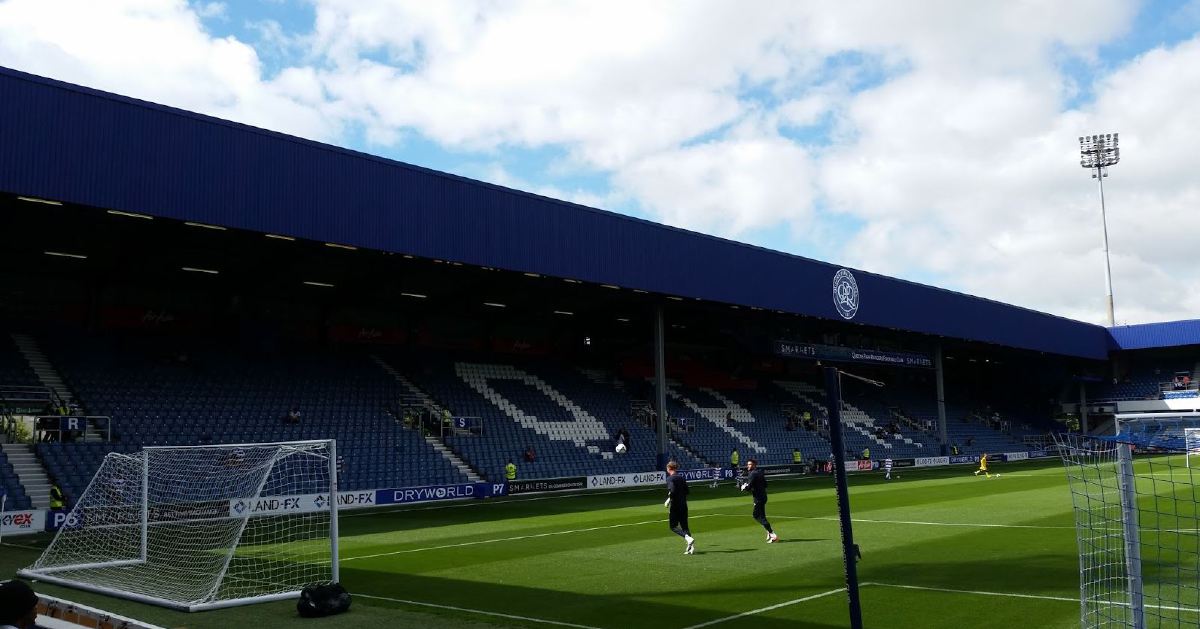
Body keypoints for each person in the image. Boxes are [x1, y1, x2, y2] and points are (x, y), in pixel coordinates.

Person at [739, 459, 778, 543]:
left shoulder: (752, 474)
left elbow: (749, 488)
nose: (748, 466)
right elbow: (765, 485)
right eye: (748, 464)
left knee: (756, 515)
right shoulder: (760, 472)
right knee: (762, 516)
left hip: (758, 498)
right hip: (764, 496)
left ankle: (772, 534)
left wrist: (743, 487)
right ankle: (769, 531)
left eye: (750, 464)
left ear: (754, 465)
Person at [664, 460, 695, 554]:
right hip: (684, 505)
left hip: (675, 506)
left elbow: (672, 490)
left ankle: (688, 538)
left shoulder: (670, 478)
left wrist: (669, 499)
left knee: (673, 526)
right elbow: (687, 491)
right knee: (685, 526)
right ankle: (691, 548)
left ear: (669, 468)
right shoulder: (681, 478)